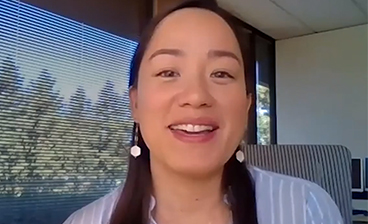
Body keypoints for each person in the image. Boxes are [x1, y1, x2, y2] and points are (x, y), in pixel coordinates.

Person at [63, 0, 344, 224]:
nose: (197, 96)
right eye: (168, 72)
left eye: (221, 73)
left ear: (246, 105)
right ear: (135, 103)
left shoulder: (306, 209)